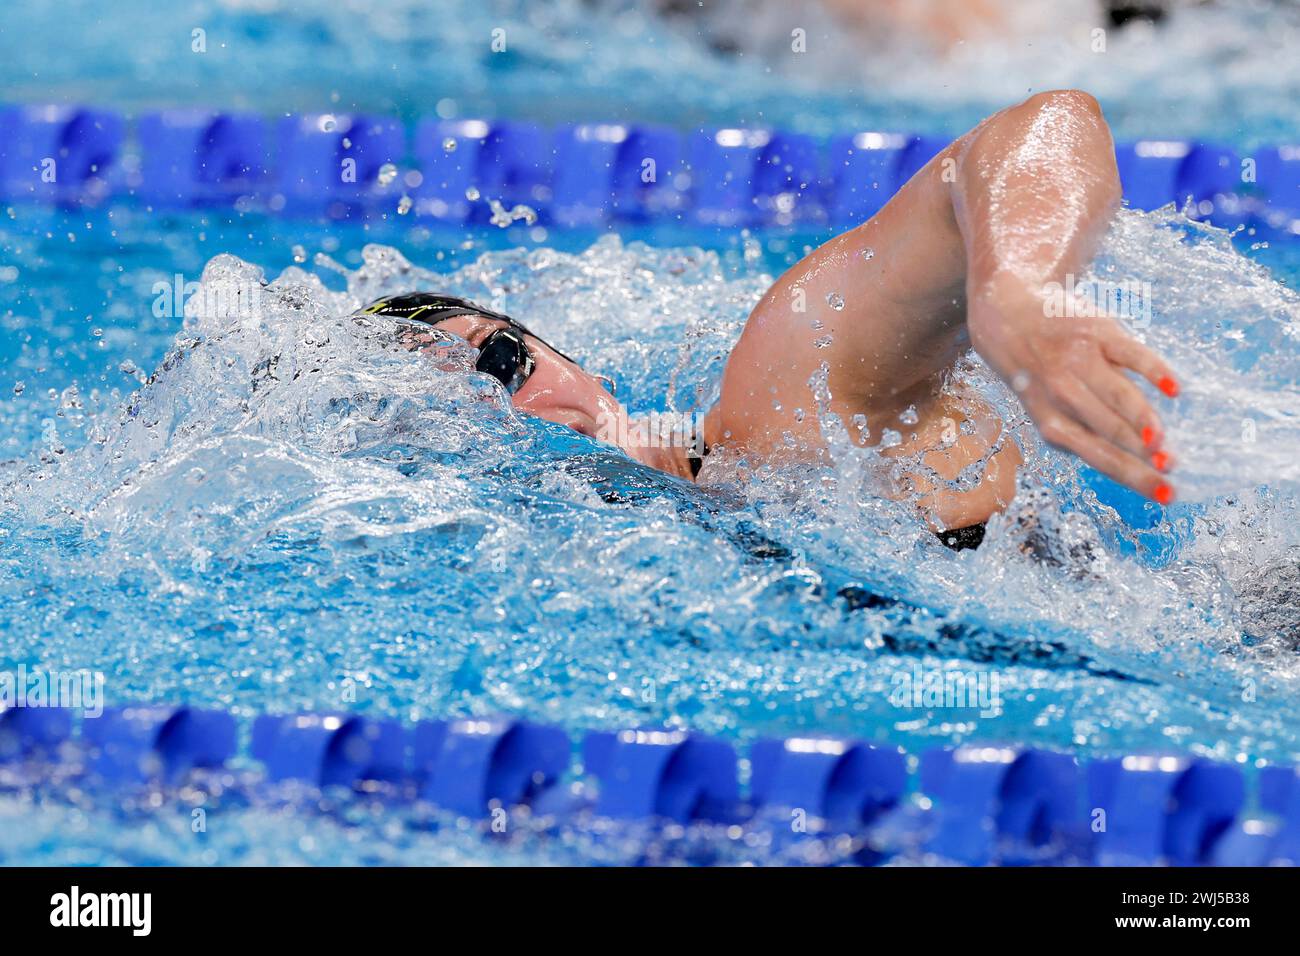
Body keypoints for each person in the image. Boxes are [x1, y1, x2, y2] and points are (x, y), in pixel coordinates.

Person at [363, 90, 1179, 550]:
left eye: (499, 363)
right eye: (440, 421)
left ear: (580, 366)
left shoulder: (779, 395)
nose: (501, 412)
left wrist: (1015, 288)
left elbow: (1046, 127)